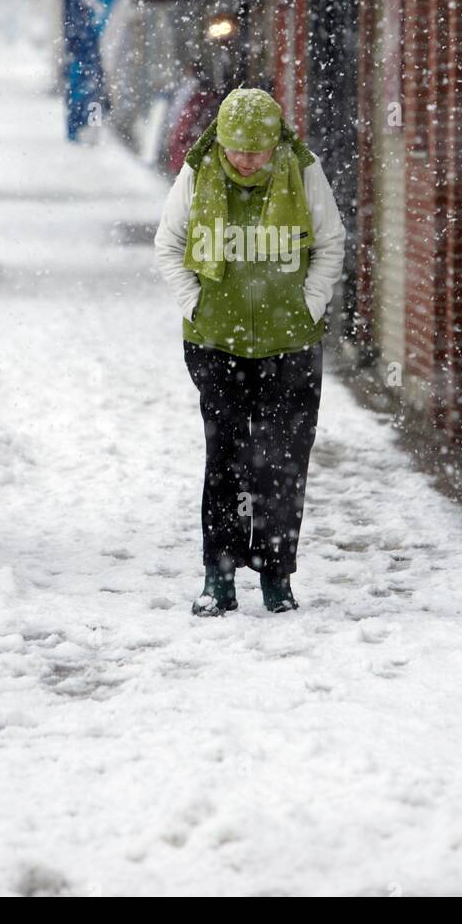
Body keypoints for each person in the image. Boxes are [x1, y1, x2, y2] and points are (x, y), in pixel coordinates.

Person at [154, 88, 346, 616]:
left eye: (256, 151)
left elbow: (330, 242)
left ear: (274, 142)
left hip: (291, 344)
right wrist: (196, 304)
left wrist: (309, 304)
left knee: (282, 464)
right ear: (221, 142)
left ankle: (277, 576)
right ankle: (219, 576)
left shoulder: (303, 171)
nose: (245, 160)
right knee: (227, 460)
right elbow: (168, 244)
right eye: (237, 150)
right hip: (217, 345)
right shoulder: (199, 173)